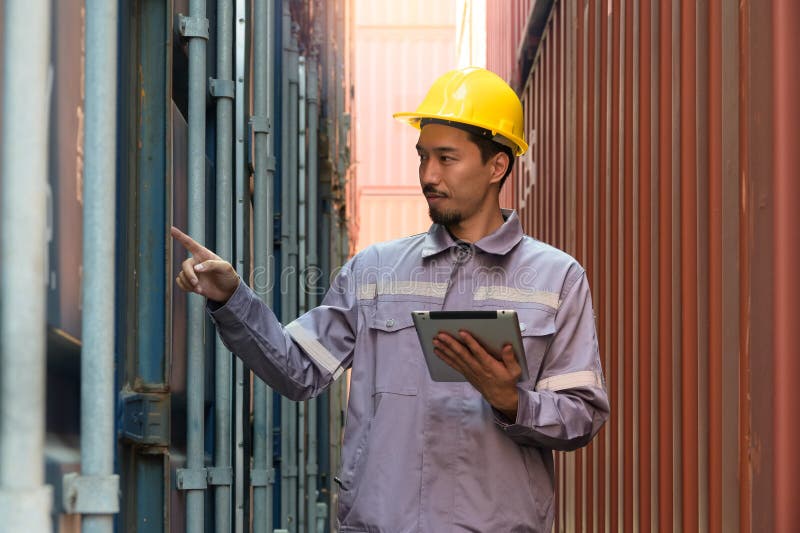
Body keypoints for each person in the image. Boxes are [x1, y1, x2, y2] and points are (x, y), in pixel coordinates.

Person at [172, 66, 609, 532]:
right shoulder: (375, 270)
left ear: (497, 166)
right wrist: (232, 299)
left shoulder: (556, 278)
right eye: (423, 157)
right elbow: (298, 370)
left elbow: (582, 414)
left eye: (447, 158)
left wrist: (512, 402)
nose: (428, 175)